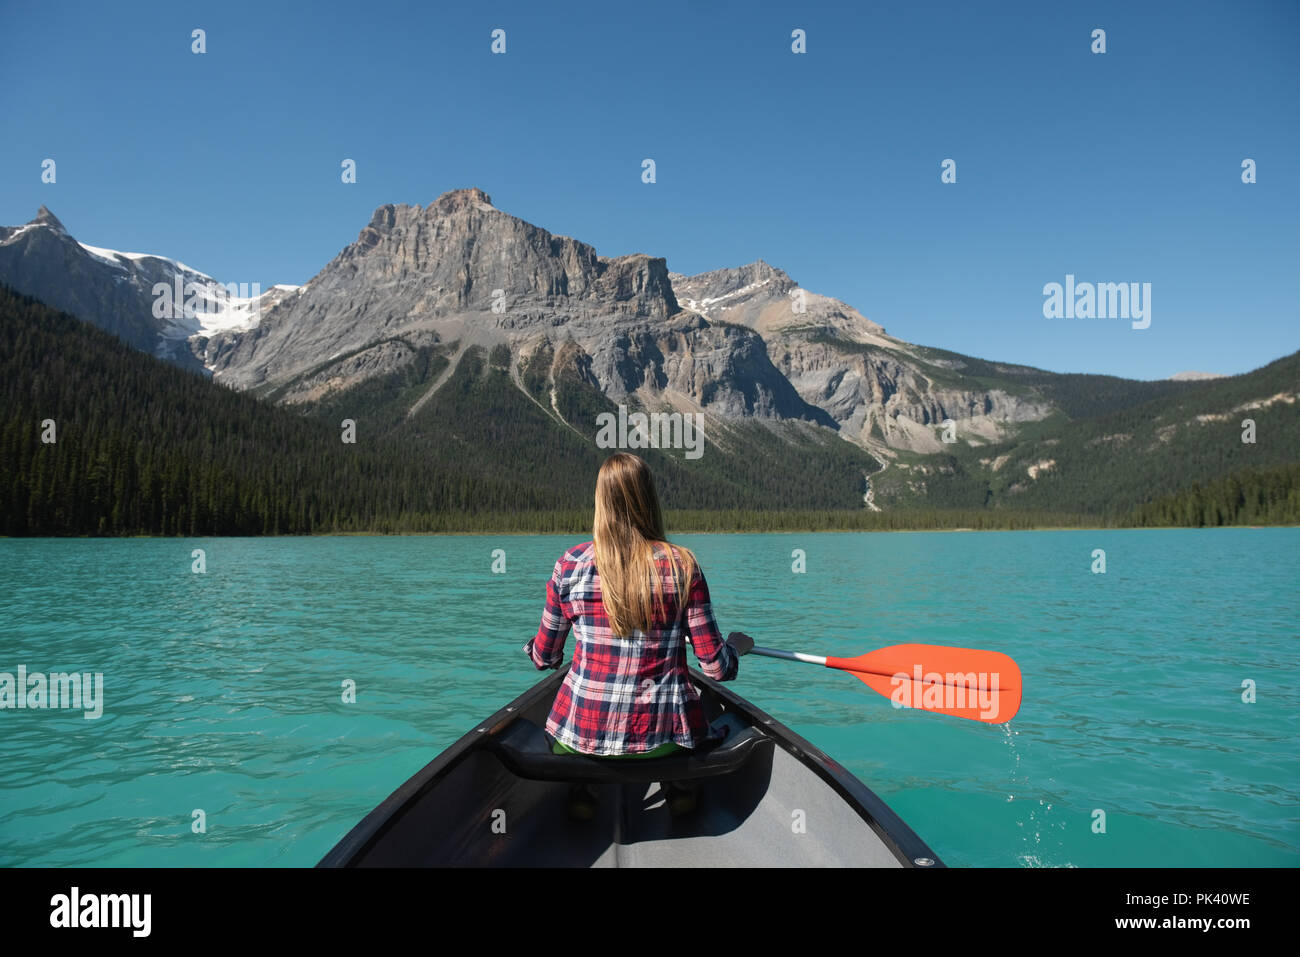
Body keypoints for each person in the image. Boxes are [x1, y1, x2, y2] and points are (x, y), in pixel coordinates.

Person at [523, 452, 753, 817]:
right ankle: (680, 787)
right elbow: (716, 668)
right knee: (696, 717)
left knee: (580, 724)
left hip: (579, 739)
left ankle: (584, 790)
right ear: (649, 500)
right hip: (664, 742)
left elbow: (545, 659)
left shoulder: (569, 565)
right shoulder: (682, 565)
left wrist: (535, 648)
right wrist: (738, 647)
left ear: (600, 502)